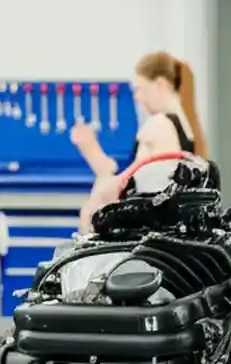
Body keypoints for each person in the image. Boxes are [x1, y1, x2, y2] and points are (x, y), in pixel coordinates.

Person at [71, 51, 207, 230]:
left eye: (140, 89)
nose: (136, 97)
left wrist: (95, 158)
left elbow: (144, 190)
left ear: (160, 85)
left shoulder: (158, 126)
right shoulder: (187, 129)